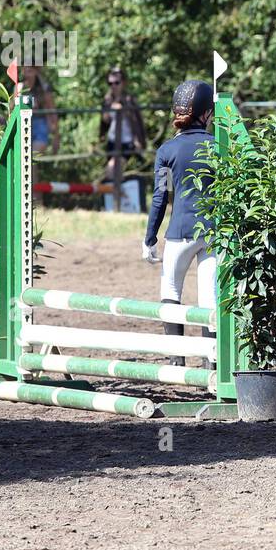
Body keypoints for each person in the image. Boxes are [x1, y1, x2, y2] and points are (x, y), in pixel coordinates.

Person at [144, 81, 216, 370]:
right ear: (207, 113)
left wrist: (150, 238)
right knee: (209, 297)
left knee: (171, 290)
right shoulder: (219, 146)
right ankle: (212, 365)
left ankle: (177, 362)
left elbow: (160, 198)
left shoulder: (166, 150)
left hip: (179, 234)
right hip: (213, 232)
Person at [99, 66, 147, 186]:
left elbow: (137, 122)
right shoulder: (108, 99)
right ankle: (120, 201)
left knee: (111, 170)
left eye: (117, 83)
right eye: (110, 83)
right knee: (116, 174)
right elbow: (105, 122)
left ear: (124, 83)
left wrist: (139, 141)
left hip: (126, 142)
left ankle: (118, 200)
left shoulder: (129, 100)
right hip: (112, 141)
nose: (113, 86)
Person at [21, 63, 59, 155]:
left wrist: (56, 137)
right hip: (22, 125)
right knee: (26, 160)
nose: (27, 72)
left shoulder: (44, 89)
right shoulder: (19, 87)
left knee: (32, 156)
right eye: (25, 69)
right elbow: (11, 109)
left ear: (36, 71)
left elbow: (53, 112)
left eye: (30, 70)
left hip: (40, 126)